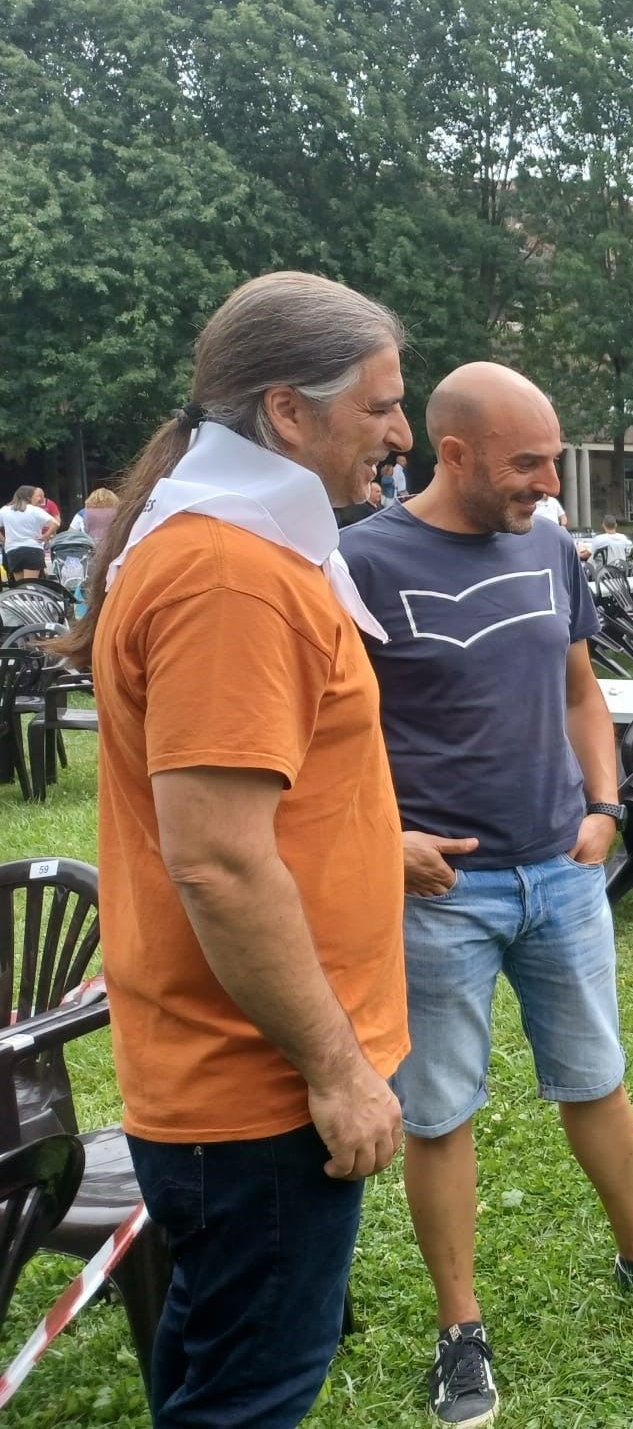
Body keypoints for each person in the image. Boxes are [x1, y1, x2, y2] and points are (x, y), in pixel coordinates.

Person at [341, 363, 633, 1426]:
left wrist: (604, 807)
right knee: (440, 1113)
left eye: (552, 459)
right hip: (443, 888)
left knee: (594, 1075)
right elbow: (326, 731)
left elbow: (577, 685)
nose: (546, 481)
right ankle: (459, 1330)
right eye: (526, 463)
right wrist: (384, 839)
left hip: (559, 869)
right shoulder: (362, 562)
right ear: (455, 453)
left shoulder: (550, 546)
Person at [49, 272, 412, 1426]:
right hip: (256, 1088)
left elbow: (246, 810)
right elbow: (214, 860)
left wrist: (372, 846)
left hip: (248, 1075)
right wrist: (339, 1069)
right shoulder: (228, 574)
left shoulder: (238, 547)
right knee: (250, 1398)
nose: (403, 436)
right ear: (287, 414)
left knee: (225, 1373)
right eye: (380, 407)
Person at [1, 484, 57, 579]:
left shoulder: (4, 510)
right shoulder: (35, 510)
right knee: (31, 585)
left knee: (20, 586)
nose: (39, 498)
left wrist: (4, 540)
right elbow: (55, 523)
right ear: (29, 497)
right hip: (32, 549)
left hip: (12, 551)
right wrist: (46, 536)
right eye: (36, 496)